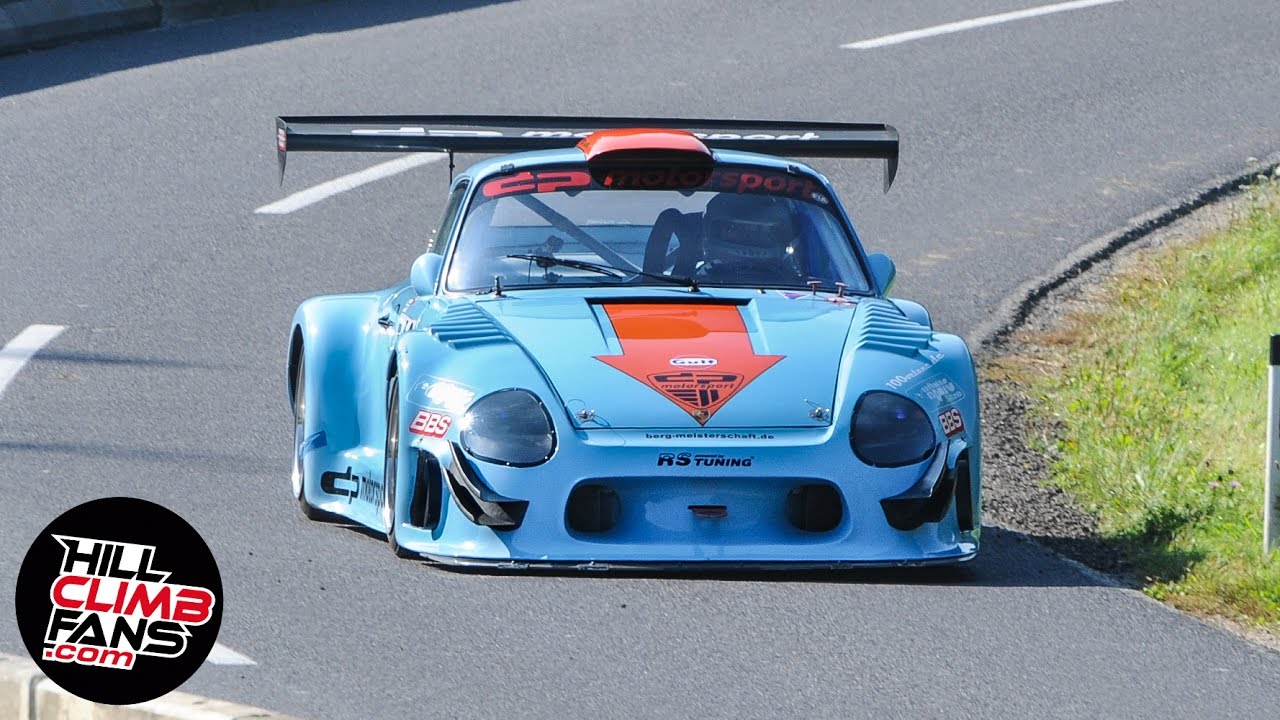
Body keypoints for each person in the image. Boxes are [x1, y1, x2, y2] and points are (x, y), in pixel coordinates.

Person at [697, 193, 806, 285]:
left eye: (759, 229)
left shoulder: (799, 284)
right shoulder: (693, 282)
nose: (747, 236)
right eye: (735, 228)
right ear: (716, 232)